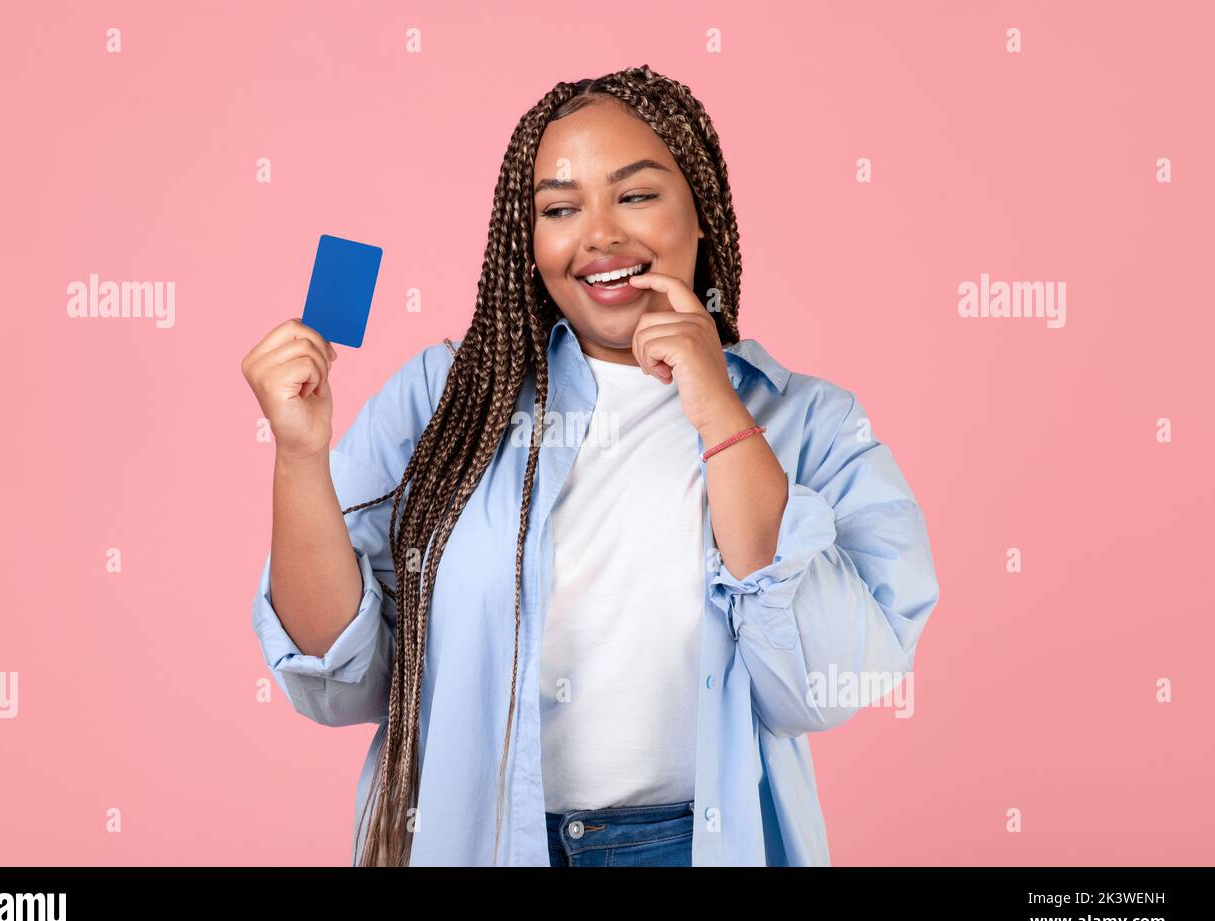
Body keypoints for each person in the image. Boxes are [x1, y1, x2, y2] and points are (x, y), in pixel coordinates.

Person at [241, 64, 940, 867]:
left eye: (636, 195)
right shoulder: (445, 399)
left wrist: (717, 409)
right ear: (529, 238)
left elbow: (820, 685)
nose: (599, 234)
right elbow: (339, 677)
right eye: (561, 209)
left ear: (702, 211)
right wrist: (299, 456)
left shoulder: (810, 421)